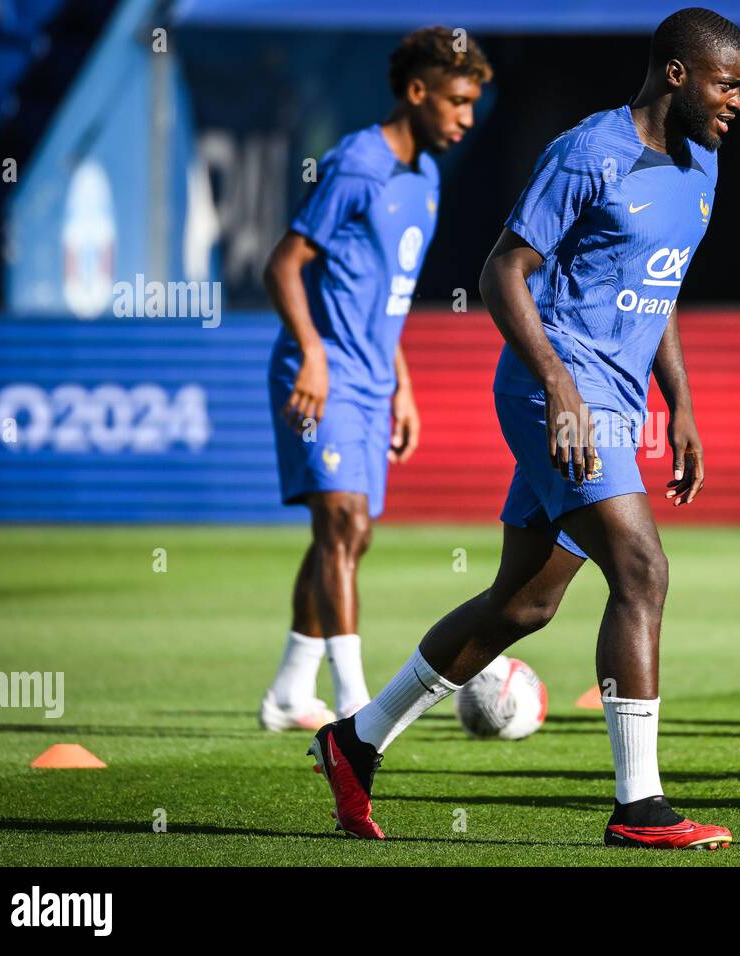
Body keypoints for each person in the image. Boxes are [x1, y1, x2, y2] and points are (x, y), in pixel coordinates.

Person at [308, 7, 740, 848]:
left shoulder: (702, 164)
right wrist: (560, 388)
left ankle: (354, 743)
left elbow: (660, 289)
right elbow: (500, 270)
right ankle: (639, 806)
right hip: (556, 389)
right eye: (728, 84)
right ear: (679, 74)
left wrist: (679, 403)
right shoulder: (589, 152)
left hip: (618, 399)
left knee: (524, 605)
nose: (736, 102)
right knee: (643, 567)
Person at [259, 28, 491, 731]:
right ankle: (356, 703)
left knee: (349, 538)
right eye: (456, 102)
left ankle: (290, 693)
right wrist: (314, 353)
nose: (466, 118)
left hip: (370, 381)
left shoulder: (425, 178)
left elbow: (386, 293)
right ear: (416, 93)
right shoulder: (359, 162)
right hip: (318, 375)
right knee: (343, 521)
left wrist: (405, 384)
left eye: (473, 104)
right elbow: (283, 264)